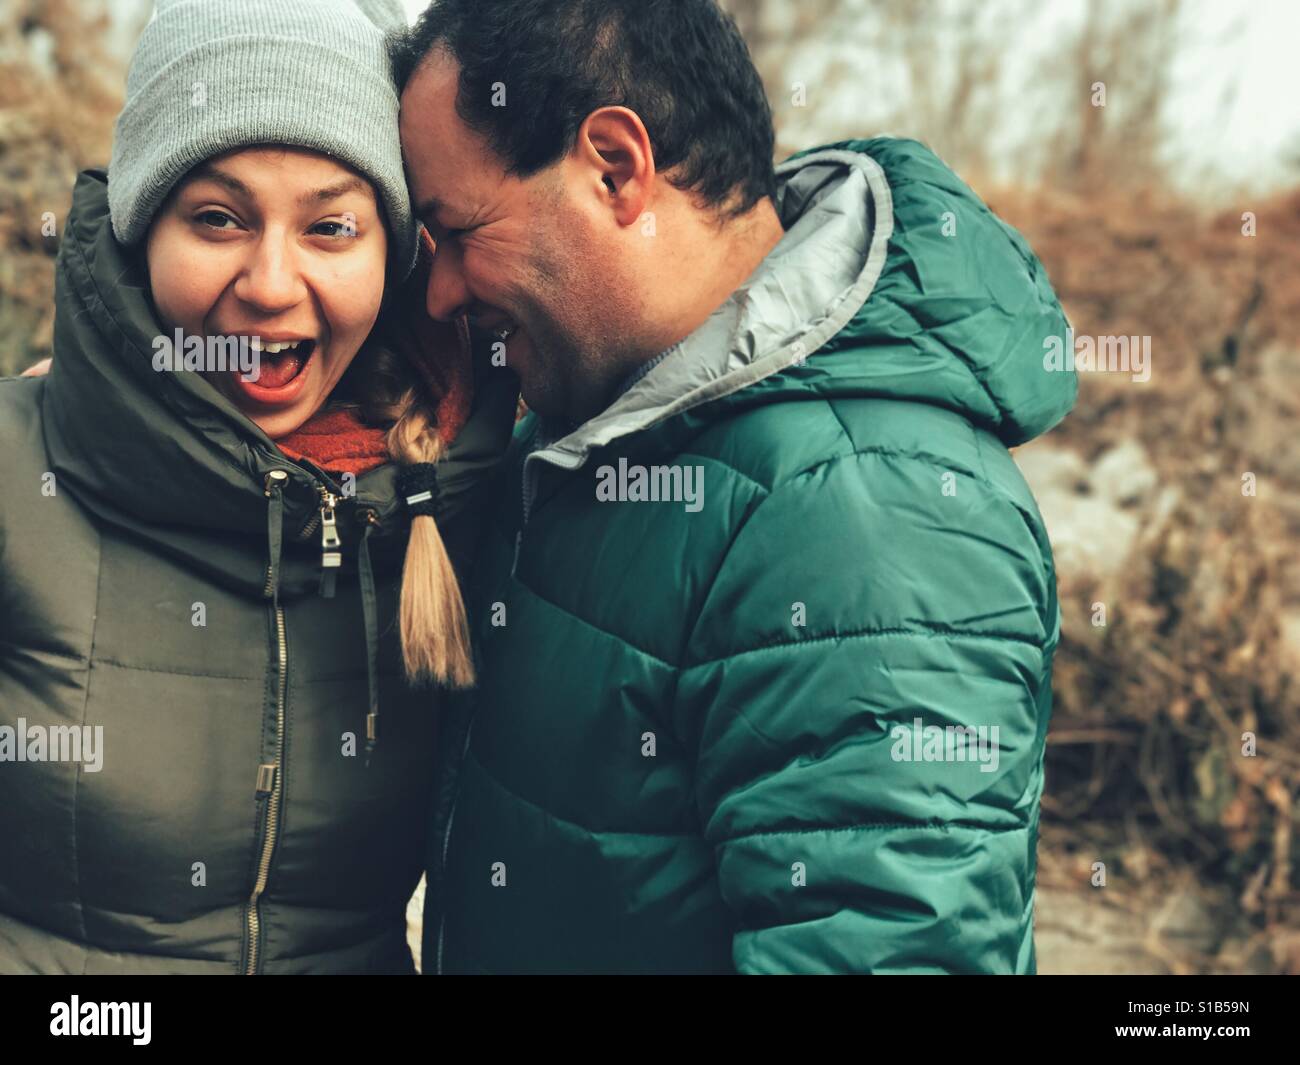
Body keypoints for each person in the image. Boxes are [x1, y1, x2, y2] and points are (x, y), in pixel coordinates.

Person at [393, 0, 1078, 974]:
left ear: (615, 169)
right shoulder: (599, 426)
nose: (441, 292)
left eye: (458, 231)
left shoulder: (864, 518)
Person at [0, 0, 513, 974]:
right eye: (216, 219)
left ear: (395, 256)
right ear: (142, 229)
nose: (271, 284)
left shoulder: (469, 494)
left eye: (329, 226)